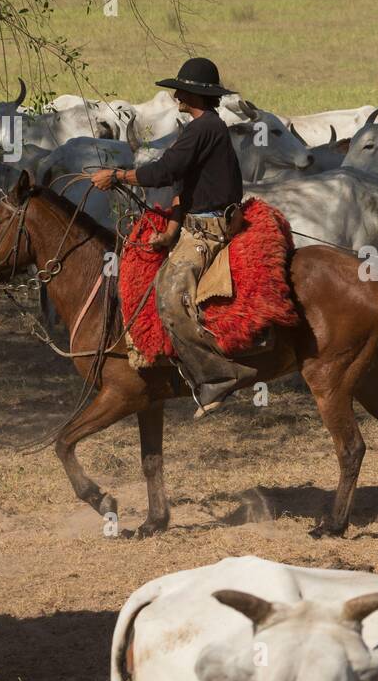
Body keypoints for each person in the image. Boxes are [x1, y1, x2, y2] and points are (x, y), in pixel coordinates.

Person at [91, 57, 255, 414]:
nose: (176, 94)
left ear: (194, 94)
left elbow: (165, 172)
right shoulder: (203, 127)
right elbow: (185, 185)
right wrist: (168, 231)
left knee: (169, 296)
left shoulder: (202, 129)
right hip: (196, 222)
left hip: (209, 230)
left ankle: (218, 376)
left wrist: (118, 176)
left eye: (181, 89)